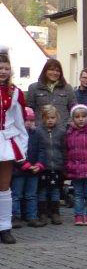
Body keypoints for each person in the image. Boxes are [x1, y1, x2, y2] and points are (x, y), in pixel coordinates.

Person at [0, 49, 28, 243]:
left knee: (4, 186)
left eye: (6, 68)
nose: (3, 71)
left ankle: (5, 227)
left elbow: (19, 122)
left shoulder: (15, 92)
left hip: (6, 141)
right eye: (0, 68)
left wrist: (23, 147)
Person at [12, 107, 44, 229]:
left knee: (31, 195)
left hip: (34, 170)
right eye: (26, 120)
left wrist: (39, 164)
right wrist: (24, 164)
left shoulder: (36, 134)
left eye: (31, 120)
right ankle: (15, 217)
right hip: (18, 170)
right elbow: (14, 153)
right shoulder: (15, 135)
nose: (29, 122)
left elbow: (42, 150)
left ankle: (32, 216)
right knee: (16, 195)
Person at [37, 105, 66, 226]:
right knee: (42, 190)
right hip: (43, 167)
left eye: (53, 117)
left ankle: (55, 212)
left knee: (55, 190)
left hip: (57, 167)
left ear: (57, 118)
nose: (50, 120)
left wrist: (64, 164)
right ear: (43, 118)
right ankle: (42, 213)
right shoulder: (38, 131)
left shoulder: (61, 132)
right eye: (47, 118)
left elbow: (64, 149)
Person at [27, 59, 77, 126]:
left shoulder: (67, 88)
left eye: (57, 71)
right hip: (41, 130)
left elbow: (74, 109)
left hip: (63, 130)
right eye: (51, 69)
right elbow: (29, 110)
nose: (55, 73)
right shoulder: (33, 88)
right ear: (45, 71)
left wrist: (69, 123)